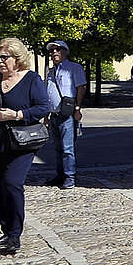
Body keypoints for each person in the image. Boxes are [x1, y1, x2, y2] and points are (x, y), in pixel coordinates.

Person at [0, 38, 51, 255]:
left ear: (17, 58)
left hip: (21, 144)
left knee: (12, 184)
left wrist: (18, 115)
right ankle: (6, 230)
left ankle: (14, 234)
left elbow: (43, 107)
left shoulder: (31, 80)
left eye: (4, 57)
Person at [44, 40, 86, 189]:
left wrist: (78, 108)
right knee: (57, 149)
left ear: (65, 52)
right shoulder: (51, 71)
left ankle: (70, 177)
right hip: (54, 115)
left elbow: (80, 88)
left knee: (68, 148)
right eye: (52, 50)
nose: (54, 52)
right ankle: (60, 175)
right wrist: (46, 116)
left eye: (58, 49)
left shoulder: (74, 68)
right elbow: (48, 94)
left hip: (67, 114)